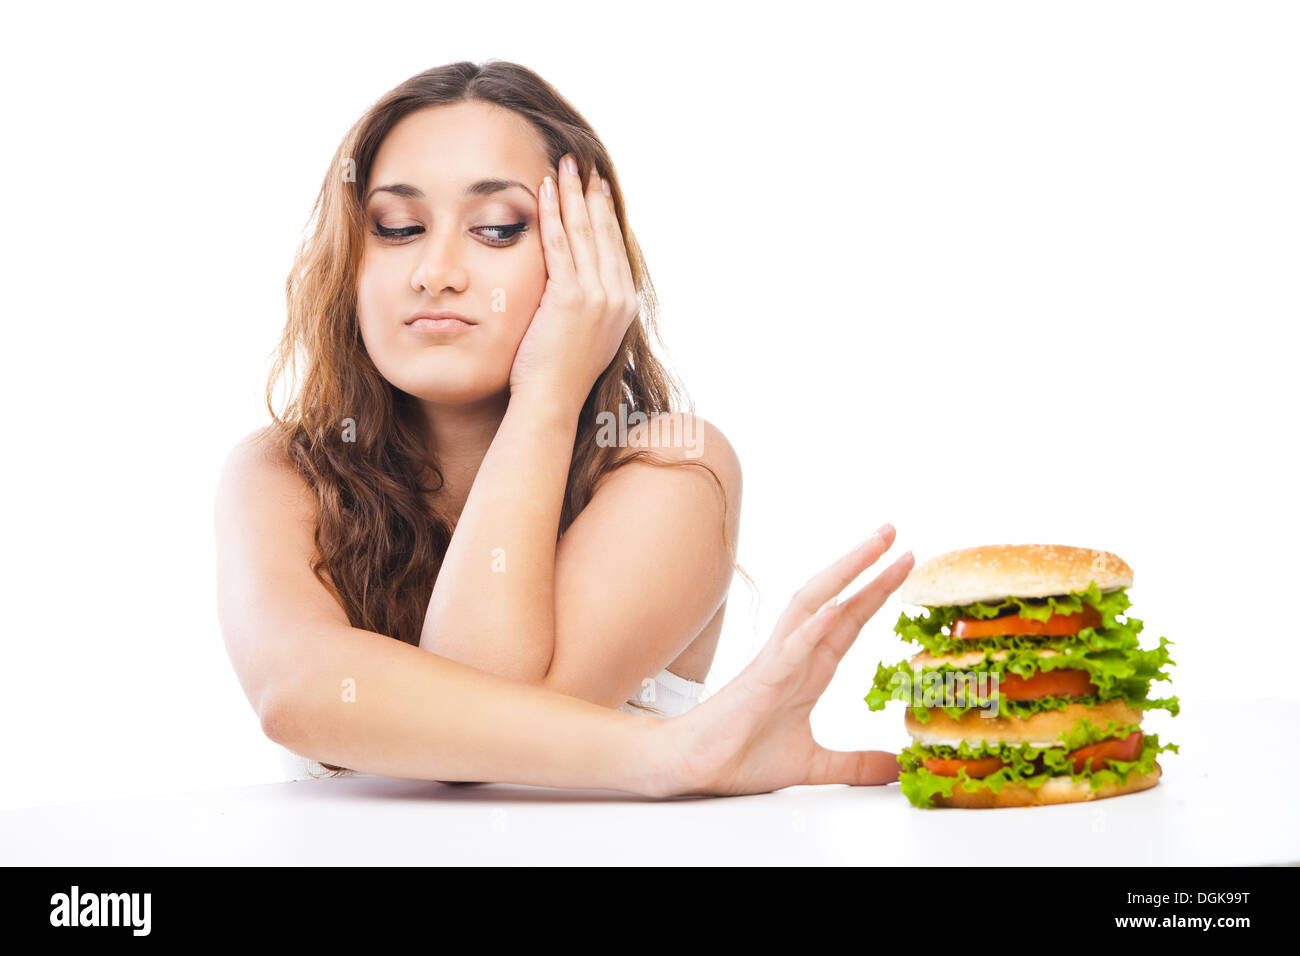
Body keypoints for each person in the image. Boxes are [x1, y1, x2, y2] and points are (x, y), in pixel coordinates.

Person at [214, 59, 912, 795]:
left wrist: (548, 394)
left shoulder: (674, 470)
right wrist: (675, 756)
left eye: (497, 228)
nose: (435, 271)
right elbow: (295, 693)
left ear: (590, 256)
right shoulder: (280, 475)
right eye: (399, 227)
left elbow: (473, 728)